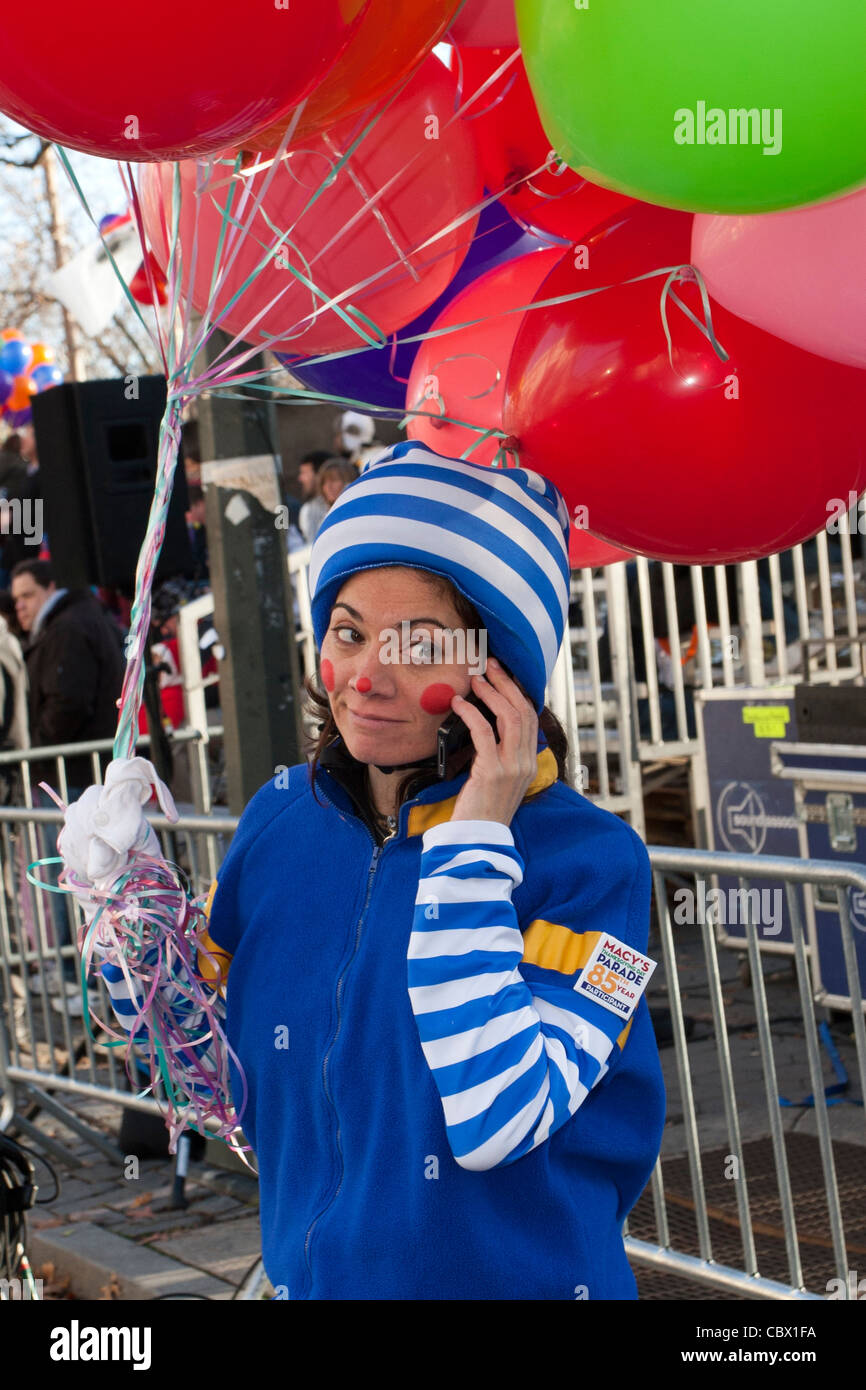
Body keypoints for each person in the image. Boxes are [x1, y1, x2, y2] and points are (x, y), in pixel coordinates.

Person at [64, 442, 665, 1300]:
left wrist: (473, 843)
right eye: (348, 633)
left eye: (418, 644)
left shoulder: (593, 865)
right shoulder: (280, 822)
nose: (368, 677)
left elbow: (499, 1116)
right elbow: (215, 1084)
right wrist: (130, 917)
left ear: (501, 676)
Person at [11, 559, 125, 794]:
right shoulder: (82, 617)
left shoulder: (67, 628)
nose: (20, 606)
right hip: (86, 771)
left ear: (51, 587)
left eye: (28, 596)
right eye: (16, 600)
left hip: (73, 776)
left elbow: (68, 702)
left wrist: (35, 750)